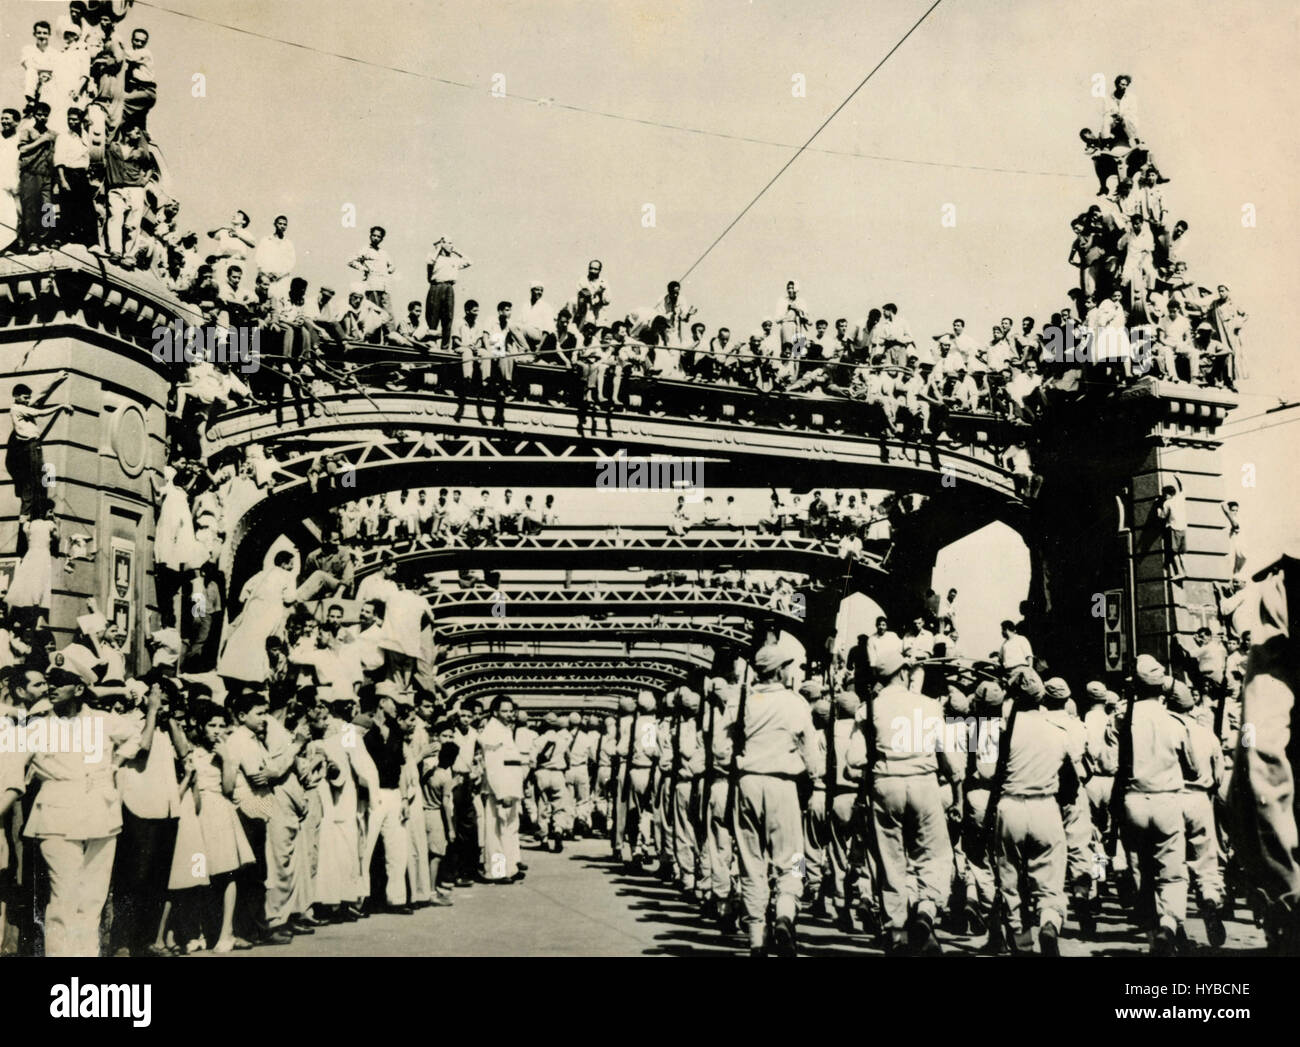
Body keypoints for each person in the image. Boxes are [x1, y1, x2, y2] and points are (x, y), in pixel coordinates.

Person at [20, 650, 145, 956]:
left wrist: (115, 763)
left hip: (100, 813)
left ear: (78, 688)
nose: (52, 686)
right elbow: (12, 764)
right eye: (51, 680)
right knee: (64, 897)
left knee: (92, 897)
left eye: (61, 681)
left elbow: (135, 735)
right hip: (57, 816)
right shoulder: (37, 727)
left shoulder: (102, 720)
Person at [845, 644, 954, 954]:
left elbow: (853, 759)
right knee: (933, 855)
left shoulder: (869, 708)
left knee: (890, 860)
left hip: (886, 782)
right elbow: (949, 758)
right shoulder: (929, 706)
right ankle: (926, 911)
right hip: (924, 782)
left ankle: (895, 930)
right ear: (904, 672)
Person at [1119, 654, 1200, 954]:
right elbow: (1193, 769)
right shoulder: (1174, 721)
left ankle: (1153, 934)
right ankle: (1169, 923)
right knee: (1172, 872)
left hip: (1134, 801)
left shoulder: (1123, 717)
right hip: (1166, 800)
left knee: (1142, 871)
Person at [992, 668, 1075, 955]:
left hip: (1011, 805)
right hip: (1045, 806)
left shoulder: (1003, 730)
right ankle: (1050, 921)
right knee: (1050, 879)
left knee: (1011, 881)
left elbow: (989, 773)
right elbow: (1071, 783)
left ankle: (1021, 941)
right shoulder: (1057, 729)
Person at [6, 372, 72, 520]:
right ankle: (28, 514)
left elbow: (41, 394)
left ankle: (33, 512)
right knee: (35, 480)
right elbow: (39, 413)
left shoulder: (22, 406)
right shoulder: (17, 408)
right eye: (25, 397)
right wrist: (60, 406)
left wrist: (56, 380)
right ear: (16, 396)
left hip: (31, 447)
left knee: (38, 479)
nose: (28, 400)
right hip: (30, 446)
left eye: (28, 397)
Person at [479, 694, 525, 883]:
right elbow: (493, 767)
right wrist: (501, 793)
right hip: (502, 791)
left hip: (512, 789)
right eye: (504, 711)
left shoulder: (504, 730)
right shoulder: (492, 732)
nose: (509, 714)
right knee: (497, 833)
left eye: (510, 711)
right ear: (495, 712)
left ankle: (511, 868)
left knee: (510, 830)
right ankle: (499, 872)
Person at [15, 101, 55, 253]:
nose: (42, 118)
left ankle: (45, 240)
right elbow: (23, 149)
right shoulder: (27, 131)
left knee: (48, 208)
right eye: (39, 114)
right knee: (30, 209)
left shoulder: (53, 134)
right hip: (30, 174)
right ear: (34, 115)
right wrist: (41, 140)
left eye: (45, 115)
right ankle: (32, 241)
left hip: (47, 175)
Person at [425, 237, 471, 352]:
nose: (451, 245)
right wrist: (439, 247)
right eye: (449, 243)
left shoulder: (454, 260)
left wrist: (455, 250)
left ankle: (445, 346)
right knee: (433, 315)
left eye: (452, 243)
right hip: (436, 286)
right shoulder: (435, 257)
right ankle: (432, 342)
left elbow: (469, 261)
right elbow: (430, 261)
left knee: (448, 317)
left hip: (449, 288)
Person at [255, 215, 296, 300]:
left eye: (284, 224)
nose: (282, 226)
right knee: (266, 300)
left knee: (281, 300)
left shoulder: (288, 243)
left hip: (283, 279)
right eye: (280, 223)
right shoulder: (265, 240)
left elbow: (291, 262)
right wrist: (266, 273)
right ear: (275, 224)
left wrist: (280, 275)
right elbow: (259, 258)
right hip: (267, 278)